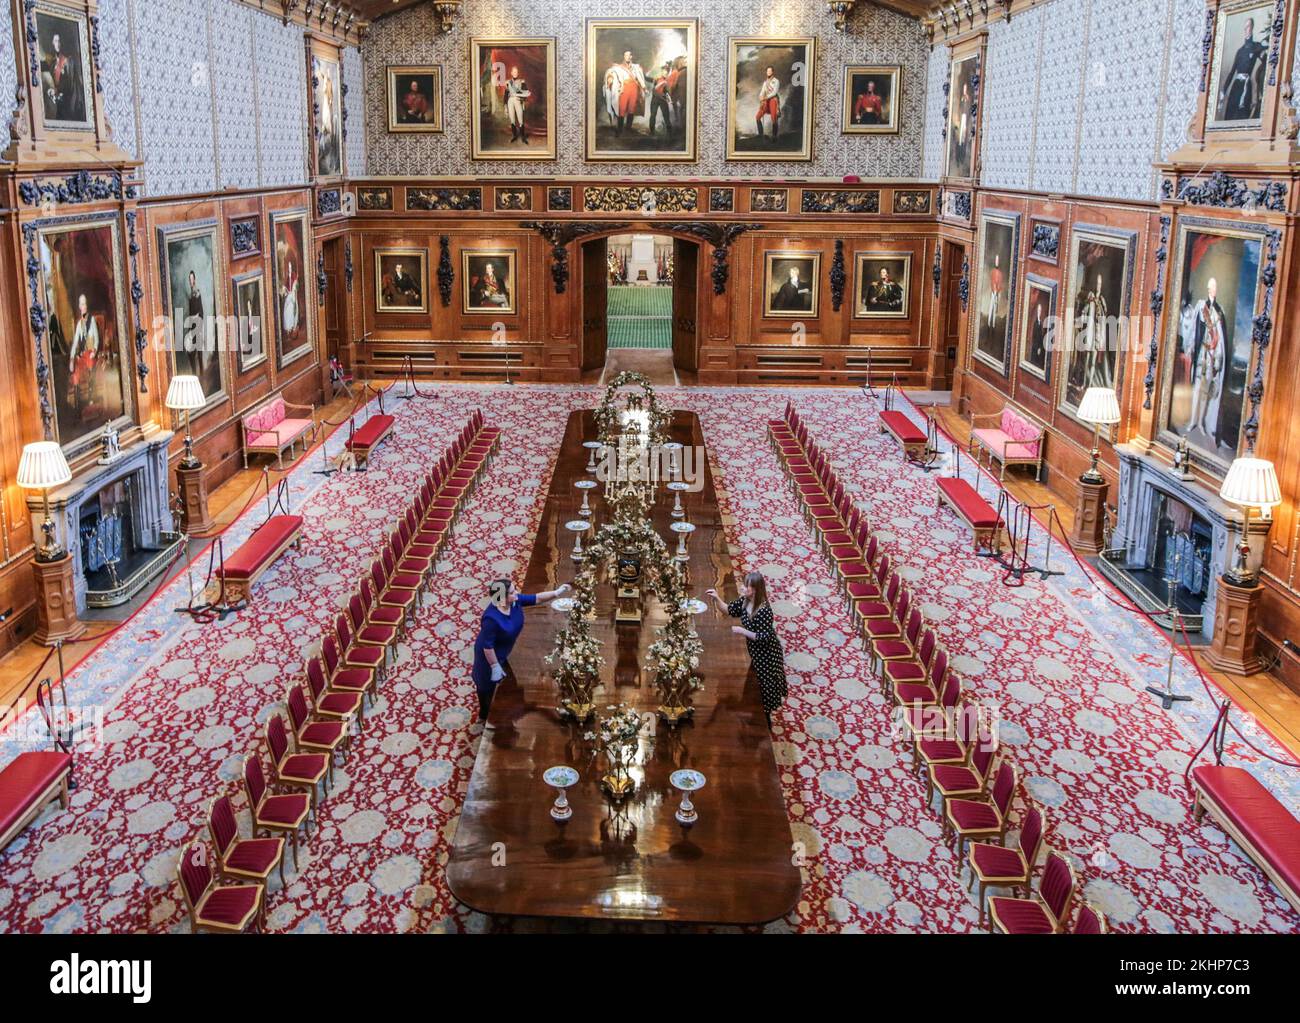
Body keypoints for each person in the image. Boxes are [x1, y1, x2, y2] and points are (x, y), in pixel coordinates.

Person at [472, 578, 570, 722]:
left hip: (504, 650)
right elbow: (487, 647)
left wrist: (556, 593)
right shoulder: (491, 619)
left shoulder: (515, 601)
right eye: (512, 592)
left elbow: (536, 598)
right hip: (488, 658)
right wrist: (494, 666)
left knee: (506, 685)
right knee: (486, 688)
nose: (516, 593)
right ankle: (484, 715)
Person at [706, 571, 788, 727]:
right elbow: (728, 609)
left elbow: (764, 637)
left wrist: (743, 631)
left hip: (767, 655)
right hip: (755, 652)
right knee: (753, 686)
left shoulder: (764, 610)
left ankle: (765, 722)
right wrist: (716, 598)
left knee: (765, 688)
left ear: (755, 589)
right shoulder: (745, 601)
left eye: (746, 586)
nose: (743, 588)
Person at [1218, 17, 1265, 122]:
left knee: (1242, 113)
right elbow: (1231, 72)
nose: (1246, 30)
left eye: (1248, 27)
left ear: (1252, 28)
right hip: (1236, 86)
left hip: (1246, 86)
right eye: (1245, 27)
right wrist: (1223, 92)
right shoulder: (1240, 51)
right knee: (1230, 113)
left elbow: (1266, 58)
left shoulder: (1256, 46)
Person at [503, 66, 531, 143]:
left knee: (521, 120)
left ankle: (523, 137)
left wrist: (523, 101)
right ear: (511, 73)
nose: (515, 73)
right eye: (514, 72)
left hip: (518, 101)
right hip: (510, 102)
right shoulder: (508, 83)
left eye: (516, 72)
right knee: (512, 120)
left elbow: (526, 92)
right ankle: (514, 136)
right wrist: (505, 106)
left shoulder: (522, 82)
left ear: (518, 73)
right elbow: (505, 95)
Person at [756, 65, 781, 140]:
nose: (768, 72)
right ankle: (760, 135)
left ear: (773, 72)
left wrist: (765, 97)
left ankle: (774, 137)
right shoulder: (765, 82)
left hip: (773, 100)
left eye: (770, 71)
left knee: (774, 119)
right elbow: (762, 92)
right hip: (766, 101)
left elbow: (774, 92)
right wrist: (760, 97)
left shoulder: (776, 81)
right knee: (757, 117)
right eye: (767, 71)